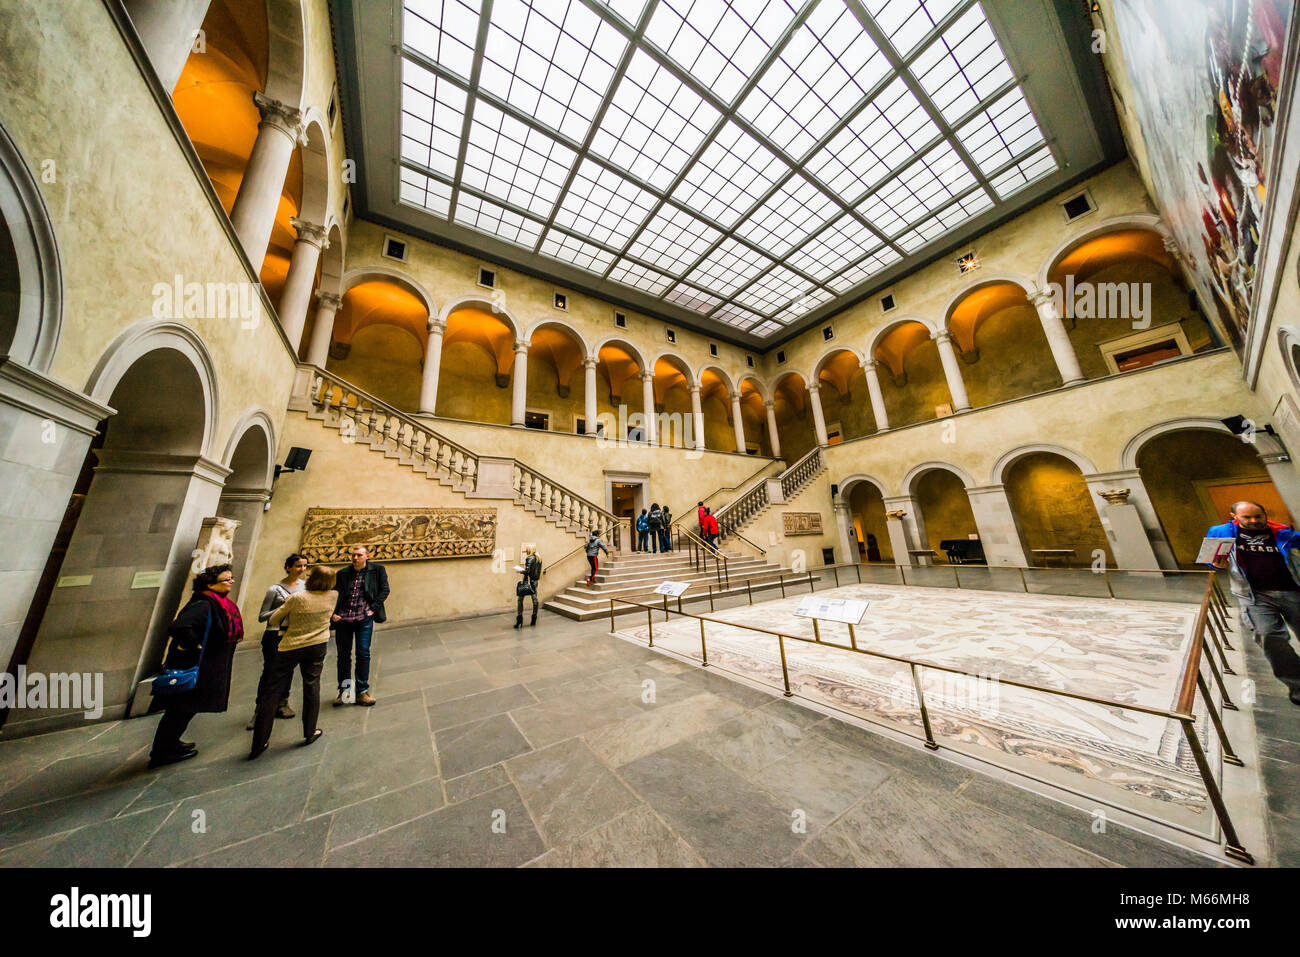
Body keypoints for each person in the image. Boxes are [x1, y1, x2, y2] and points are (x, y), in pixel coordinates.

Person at [148, 564, 245, 768]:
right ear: (210, 584)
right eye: (226, 580)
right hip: (198, 663)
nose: (231, 582)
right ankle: (162, 752)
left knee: (186, 709)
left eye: (231, 578)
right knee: (180, 709)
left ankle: (171, 743)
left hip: (208, 663)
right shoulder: (204, 604)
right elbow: (179, 626)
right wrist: (197, 645)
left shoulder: (216, 602)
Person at [1206, 501, 1300, 705]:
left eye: (1258, 516)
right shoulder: (1220, 532)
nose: (1254, 521)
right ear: (1234, 516)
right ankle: (1297, 684)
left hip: (1292, 590)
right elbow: (1209, 557)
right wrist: (1214, 562)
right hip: (1254, 595)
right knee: (1269, 638)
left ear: (1265, 514)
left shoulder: (1281, 531)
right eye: (1247, 517)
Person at [250, 565, 337, 757]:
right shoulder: (333, 595)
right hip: (318, 644)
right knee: (312, 686)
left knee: (273, 690)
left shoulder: (297, 598)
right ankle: (310, 731)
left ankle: (259, 741)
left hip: (291, 645)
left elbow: (273, 619)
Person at [245, 553, 307, 730]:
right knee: (271, 671)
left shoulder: (305, 586)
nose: (301, 569)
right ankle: (260, 709)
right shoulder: (275, 589)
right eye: (298, 566)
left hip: (295, 633)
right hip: (275, 634)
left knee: (288, 670)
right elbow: (262, 616)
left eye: (304, 566)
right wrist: (285, 608)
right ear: (288, 567)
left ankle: (282, 703)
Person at [331, 545, 389, 707]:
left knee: (363, 653)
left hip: (364, 618)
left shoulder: (377, 570)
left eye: (359, 555)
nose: (355, 558)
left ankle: (362, 691)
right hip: (344, 620)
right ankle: (345, 692)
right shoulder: (343, 573)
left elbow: (384, 590)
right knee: (343, 656)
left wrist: (373, 609)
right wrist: (333, 613)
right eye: (353, 555)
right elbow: (335, 594)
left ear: (367, 556)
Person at [515, 545, 542, 628]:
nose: (525, 551)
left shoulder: (529, 558)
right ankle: (534, 619)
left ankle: (519, 619)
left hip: (528, 582)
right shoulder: (538, 558)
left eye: (526, 549)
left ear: (529, 550)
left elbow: (527, 571)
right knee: (535, 599)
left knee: (520, 599)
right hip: (535, 581)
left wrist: (521, 571)